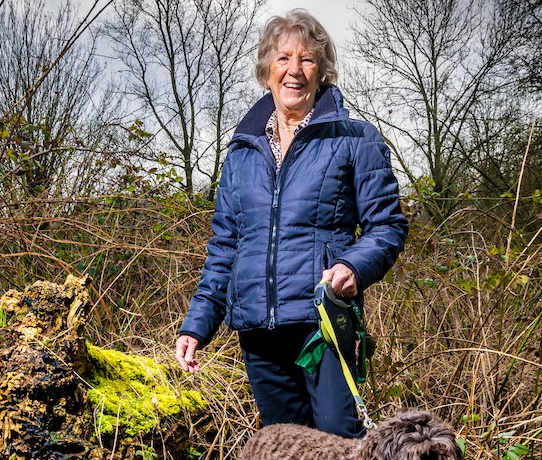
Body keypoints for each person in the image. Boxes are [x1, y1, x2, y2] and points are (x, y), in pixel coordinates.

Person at [174, 9, 408, 438]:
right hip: (259, 335)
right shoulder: (242, 153)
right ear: (267, 72)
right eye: (283, 59)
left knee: (340, 450)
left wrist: (353, 267)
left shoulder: (355, 139)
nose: (294, 71)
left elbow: (388, 226)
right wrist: (196, 325)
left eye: (307, 60)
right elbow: (225, 248)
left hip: (322, 323)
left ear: (322, 71)